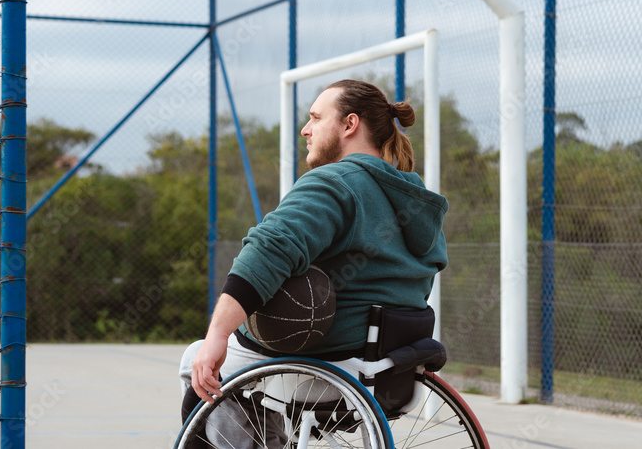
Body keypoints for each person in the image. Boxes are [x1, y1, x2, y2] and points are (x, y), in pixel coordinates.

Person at [178, 79, 448, 446]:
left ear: (349, 125)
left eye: (316, 118)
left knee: (199, 359)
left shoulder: (335, 182)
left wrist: (218, 334)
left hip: (328, 369)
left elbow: (268, 251)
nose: (306, 129)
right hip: (390, 373)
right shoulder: (414, 199)